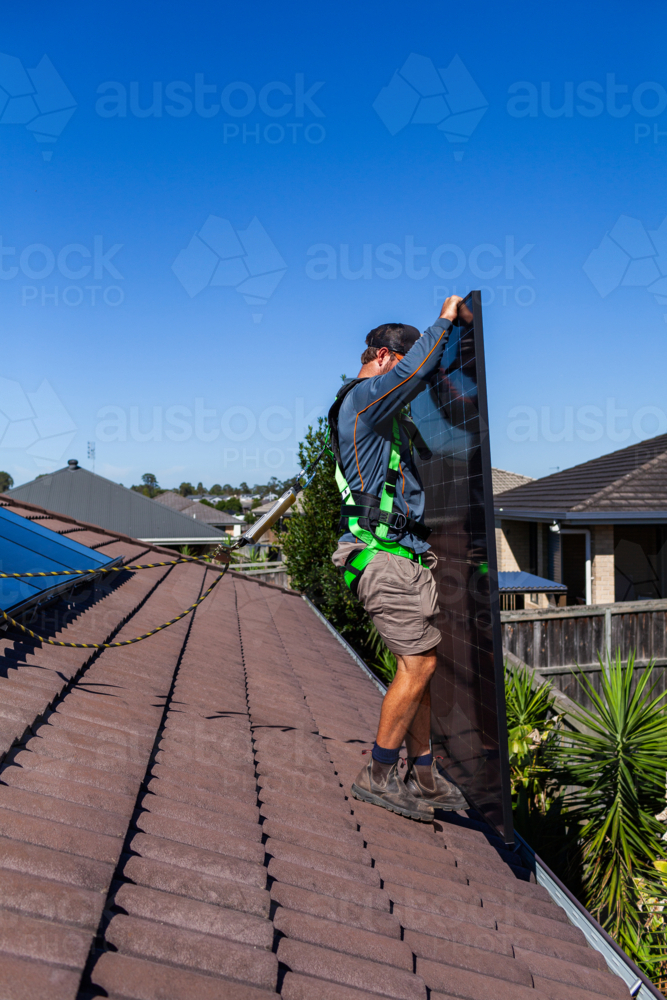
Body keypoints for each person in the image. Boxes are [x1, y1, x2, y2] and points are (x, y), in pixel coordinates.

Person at [329, 296, 470, 822]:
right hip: (380, 559)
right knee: (420, 663)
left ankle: (425, 776)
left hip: (401, 558)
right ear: (386, 358)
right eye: (406, 365)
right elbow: (414, 372)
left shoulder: (374, 412)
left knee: (419, 670)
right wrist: (446, 320)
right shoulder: (366, 397)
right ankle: (379, 774)